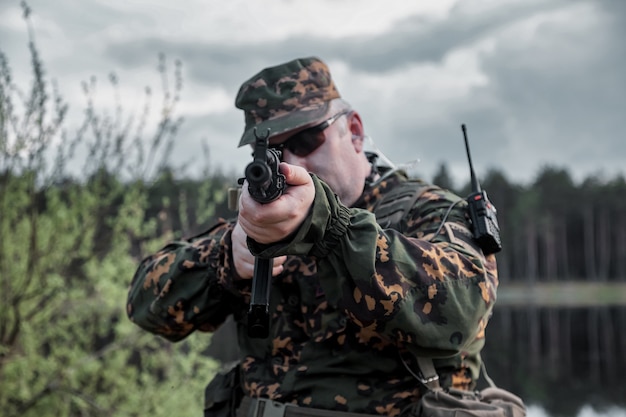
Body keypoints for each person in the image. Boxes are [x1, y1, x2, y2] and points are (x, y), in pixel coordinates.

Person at [126, 57, 499, 417]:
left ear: (353, 131)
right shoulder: (261, 227)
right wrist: (226, 258)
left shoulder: (430, 211)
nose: (292, 163)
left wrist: (329, 226)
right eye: (273, 152)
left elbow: (461, 313)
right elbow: (146, 307)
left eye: (306, 141)